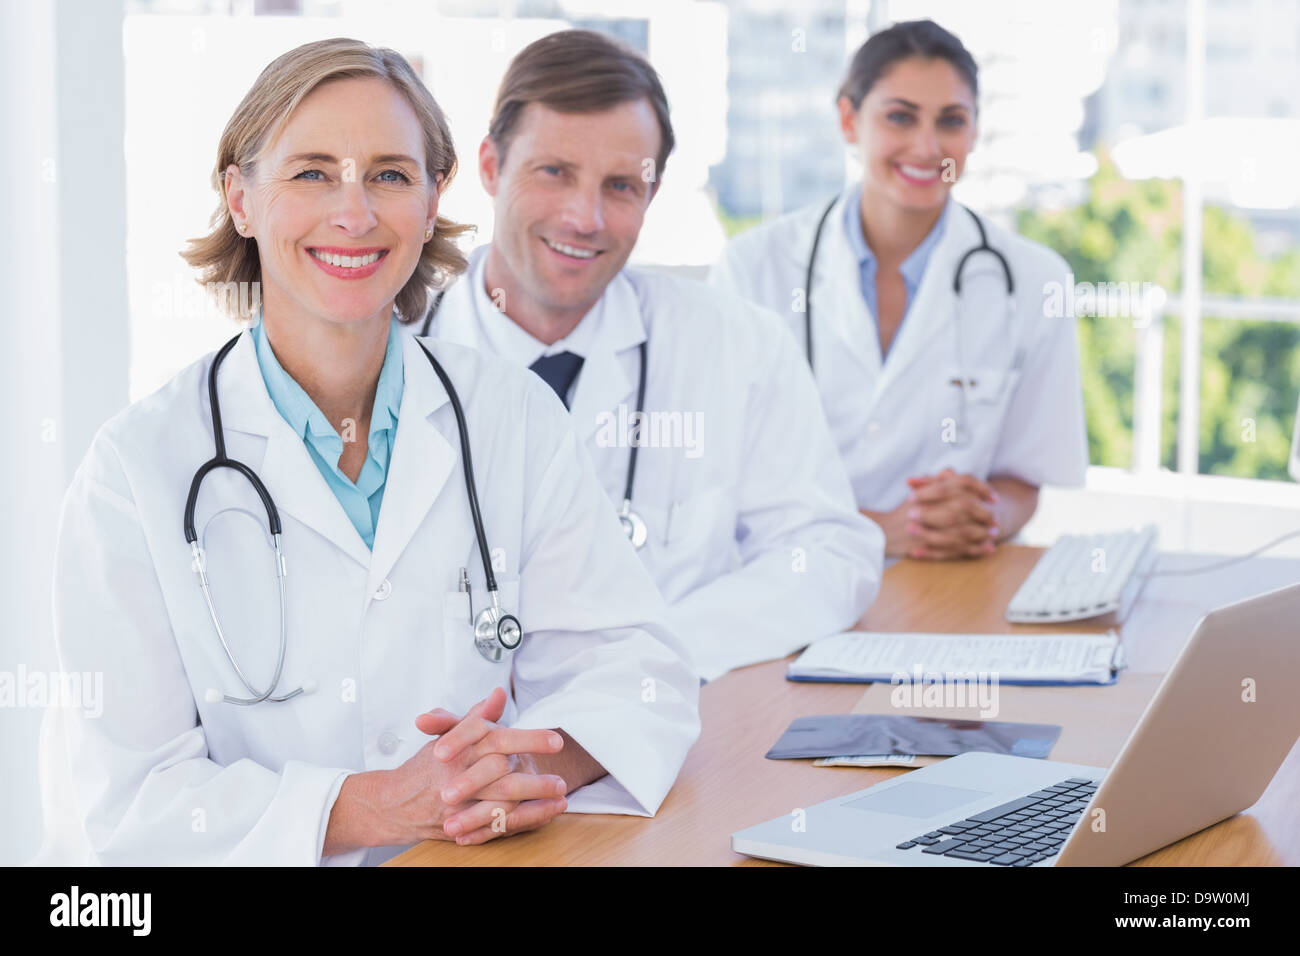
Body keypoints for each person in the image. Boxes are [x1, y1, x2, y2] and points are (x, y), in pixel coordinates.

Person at [37, 37, 698, 867]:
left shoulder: (511, 418)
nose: (354, 212)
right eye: (313, 172)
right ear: (240, 197)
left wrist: (519, 766)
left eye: (389, 174)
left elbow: (639, 669)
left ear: (432, 201)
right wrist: (378, 806)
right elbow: (128, 802)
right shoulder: (134, 473)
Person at [423, 30, 884, 682]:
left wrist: (649, 656)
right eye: (554, 172)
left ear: (652, 196)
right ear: (491, 167)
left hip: (664, 744)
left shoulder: (735, 343)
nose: (585, 217)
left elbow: (831, 554)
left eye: (620, 187)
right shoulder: (394, 350)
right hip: (447, 754)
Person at [711, 19, 1088, 561]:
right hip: (790, 575)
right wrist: (884, 530)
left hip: (957, 580)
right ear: (848, 119)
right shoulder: (753, 269)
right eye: (899, 117)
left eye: (951, 121)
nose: (926, 146)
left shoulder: (1034, 282)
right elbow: (724, 479)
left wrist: (983, 518)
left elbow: (1024, 478)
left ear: (976, 131)